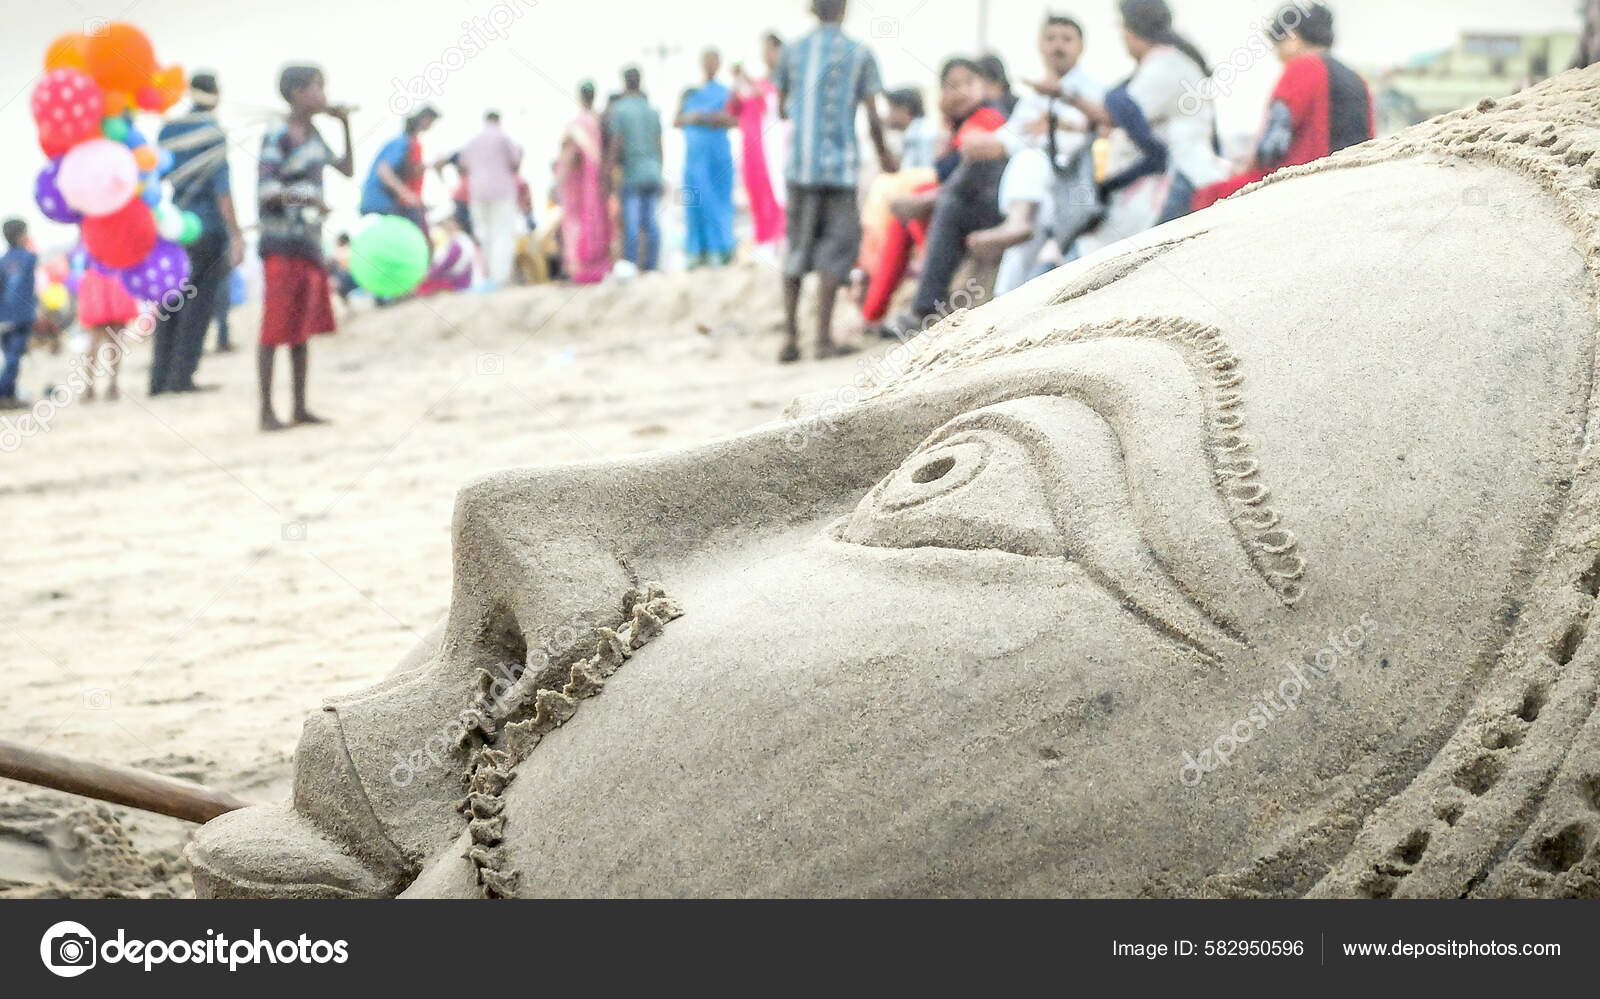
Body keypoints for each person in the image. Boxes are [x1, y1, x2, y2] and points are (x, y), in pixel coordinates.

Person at [773, 0, 897, 362]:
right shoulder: (860, 53)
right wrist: (885, 155)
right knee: (835, 252)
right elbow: (873, 116)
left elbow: (781, 108)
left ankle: (791, 336)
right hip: (841, 170)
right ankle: (823, 338)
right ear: (844, 9)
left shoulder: (792, 51)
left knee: (796, 249)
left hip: (801, 166)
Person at [1063, 0, 1226, 259]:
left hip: (1177, 179)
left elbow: (1116, 115)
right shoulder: (1173, 60)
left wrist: (1065, 94)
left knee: (1109, 258)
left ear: (1130, 31)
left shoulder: (1162, 66)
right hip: (1185, 173)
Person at [965, 14, 1105, 295]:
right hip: (1039, 193)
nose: (1058, 46)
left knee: (1032, 158)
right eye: (1051, 39)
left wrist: (1053, 127)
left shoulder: (1093, 90)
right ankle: (1002, 306)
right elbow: (1005, 139)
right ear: (1040, 45)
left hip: (1075, 186)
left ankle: (1017, 223)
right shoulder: (1032, 98)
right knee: (1021, 247)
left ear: (1081, 46)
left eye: (1066, 39)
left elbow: (1097, 131)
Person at [863, 58, 1004, 329]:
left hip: (982, 206)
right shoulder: (953, 129)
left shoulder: (987, 119)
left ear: (983, 87)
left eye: (968, 83)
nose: (960, 91)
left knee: (930, 203)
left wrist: (922, 200)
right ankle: (875, 312)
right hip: (961, 204)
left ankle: (917, 308)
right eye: (952, 86)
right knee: (910, 213)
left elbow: (967, 179)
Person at [1193, 3, 1373, 211]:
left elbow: (1271, 147)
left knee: (1202, 195)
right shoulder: (1356, 77)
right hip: (1352, 178)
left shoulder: (1303, 67)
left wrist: (1244, 166)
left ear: (1292, 36)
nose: (1276, 54)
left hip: (1304, 181)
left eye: (1277, 44)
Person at [256, 64, 352, 432]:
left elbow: (346, 169)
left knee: (300, 328)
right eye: (317, 88)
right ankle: (266, 411)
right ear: (297, 93)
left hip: (308, 243)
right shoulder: (278, 135)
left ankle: (299, 407)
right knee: (275, 327)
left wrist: (344, 124)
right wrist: (309, 198)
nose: (324, 96)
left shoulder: (313, 135)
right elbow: (267, 192)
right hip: (281, 241)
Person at [151, 72, 246, 395]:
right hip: (206, 228)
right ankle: (181, 378)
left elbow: (155, 175)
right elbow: (222, 189)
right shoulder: (212, 131)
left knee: (171, 302)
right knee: (199, 304)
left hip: (173, 225)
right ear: (215, 94)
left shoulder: (168, 129)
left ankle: (158, 380)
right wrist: (236, 233)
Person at [676, 49, 738, 268]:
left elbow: (734, 120)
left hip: (717, 157)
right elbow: (677, 120)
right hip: (695, 158)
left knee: (717, 203)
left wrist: (709, 118)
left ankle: (718, 249)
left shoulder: (726, 92)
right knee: (695, 201)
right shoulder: (690, 92)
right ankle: (696, 251)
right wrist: (694, 117)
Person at [606, 66, 664, 272]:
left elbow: (617, 143)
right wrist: (660, 170)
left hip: (632, 174)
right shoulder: (652, 111)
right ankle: (651, 266)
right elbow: (659, 146)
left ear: (624, 82)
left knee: (632, 222)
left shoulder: (619, 110)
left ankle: (631, 265)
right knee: (651, 222)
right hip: (653, 172)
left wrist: (608, 169)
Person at [456, 111, 525, 286]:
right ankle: (499, 278)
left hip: (478, 193)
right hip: (501, 192)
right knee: (502, 233)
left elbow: (463, 165)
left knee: (483, 234)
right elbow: (516, 162)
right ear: (498, 120)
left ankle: (485, 277)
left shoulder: (472, 142)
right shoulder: (503, 139)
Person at [556, 82, 612, 284]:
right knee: (594, 221)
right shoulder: (598, 122)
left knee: (575, 223)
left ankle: (578, 267)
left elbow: (572, 153)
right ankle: (591, 264)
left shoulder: (578, 124)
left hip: (577, 187)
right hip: (594, 184)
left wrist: (559, 180)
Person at [730, 57, 785, 253]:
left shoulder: (772, 88)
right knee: (756, 194)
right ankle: (764, 239)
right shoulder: (747, 92)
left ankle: (776, 238)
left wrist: (745, 76)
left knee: (774, 193)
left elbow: (767, 103)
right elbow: (732, 109)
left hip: (770, 150)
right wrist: (738, 80)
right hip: (751, 151)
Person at [360, 106, 438, 230]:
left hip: (384, 203)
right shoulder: (402, 142)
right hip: (380, 202)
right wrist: (407, 195)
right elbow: (383, 170)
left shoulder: (406, 142)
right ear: (425, 120)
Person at [76, 268, 141, 401]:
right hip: (117, 277)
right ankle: (112, 385)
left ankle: (89, 387)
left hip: (96, 277)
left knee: (95, 340)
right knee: (115, 340)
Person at [0, 219, 36, 409]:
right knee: (14, 357)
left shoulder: (3, 261)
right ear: (21, 236)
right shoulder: (29, 258)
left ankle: (9, 395)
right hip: (21, 316)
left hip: (3, 316)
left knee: (9, 357)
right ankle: (3, 392)